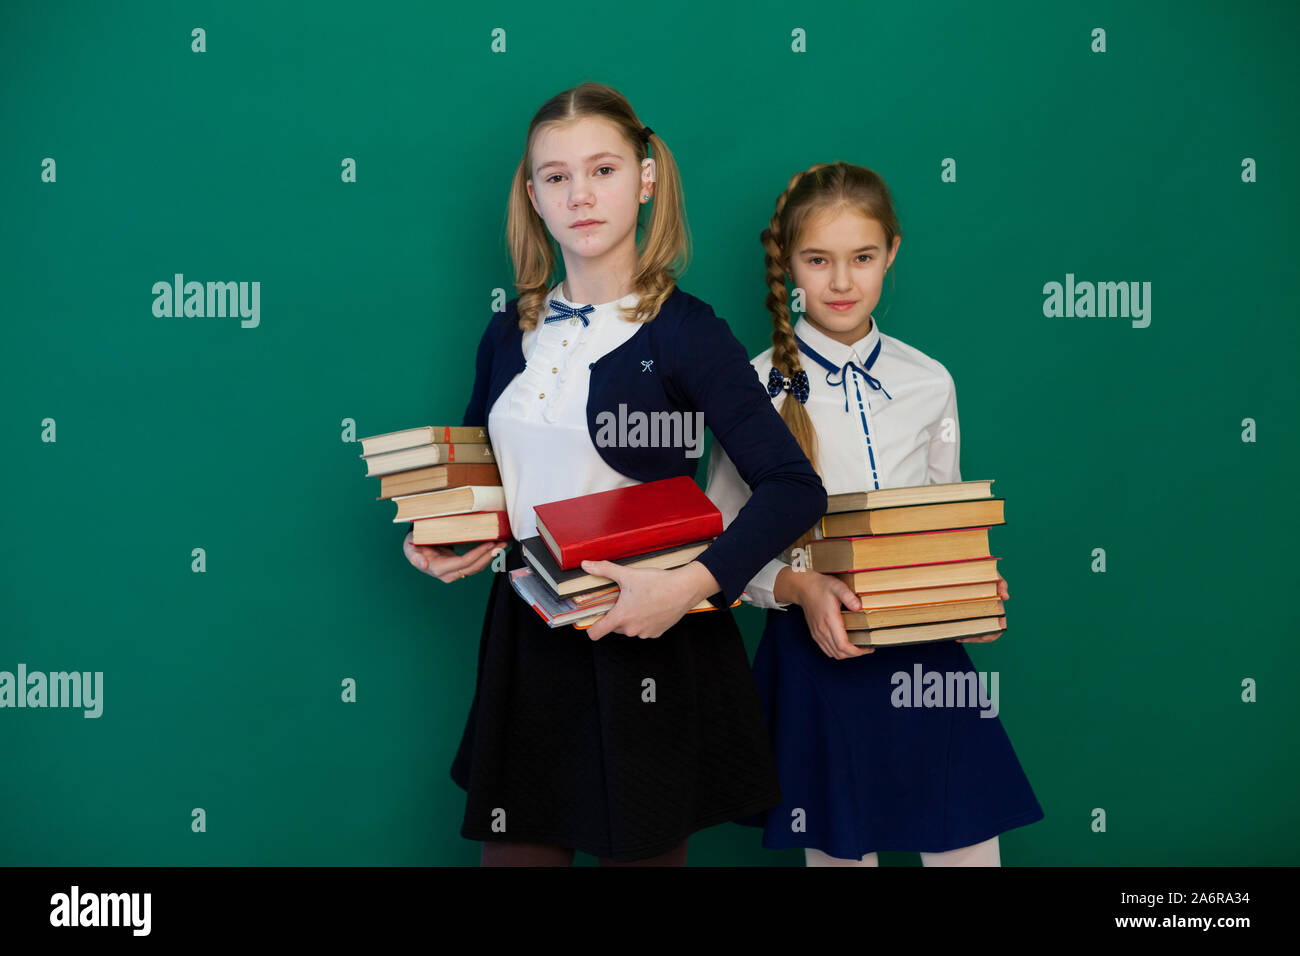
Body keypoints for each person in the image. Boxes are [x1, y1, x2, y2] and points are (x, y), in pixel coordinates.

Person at [403, 82, 827, 866]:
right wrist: (443, 536)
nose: (580, 195)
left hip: (648, 638)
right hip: (526, 641)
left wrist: (687, 587)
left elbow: (794, 487)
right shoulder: (507, 331)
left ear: (646, 179)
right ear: (533, 197)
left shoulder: (688, 331)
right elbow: (485, 478)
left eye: (602, 169)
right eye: (556, 177)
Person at [706, 161, 1044, 866]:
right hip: (815, 659)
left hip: (929, 658)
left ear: (891, 252)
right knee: (837, 853)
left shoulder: (930, 381)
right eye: (818, 260)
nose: (841, 282)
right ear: (787, 263)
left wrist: (971, 592)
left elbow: (944, 522)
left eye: (862, 258)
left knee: (970, 850)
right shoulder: (750, 387)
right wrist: (797, 587)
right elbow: (721, 551)